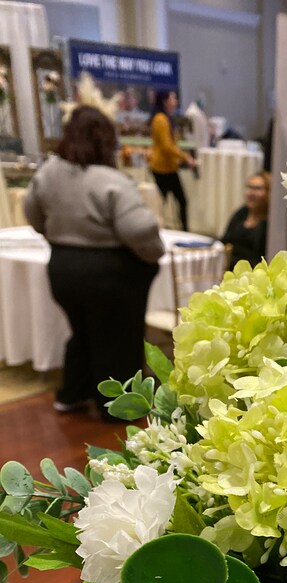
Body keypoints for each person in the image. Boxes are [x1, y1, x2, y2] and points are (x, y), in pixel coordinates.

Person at [24, 105, 164, 415]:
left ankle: (72, 394)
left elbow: (32, 213)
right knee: (117, 338)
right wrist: (155, 253)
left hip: (62, 268)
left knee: (82, 332)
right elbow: (139, 229)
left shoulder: (48, 172)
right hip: (110, 273)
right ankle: (117, 408)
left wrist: (56, 234)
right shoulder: (110, 180)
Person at [149, 89, 197, 231]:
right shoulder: (160, 119)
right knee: (178, 201)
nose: (175, 102)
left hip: (168, 167)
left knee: (167, 201)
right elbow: (166, 146)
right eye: (173, 98)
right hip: (162, 168)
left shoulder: (165, 118)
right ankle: (183, 231)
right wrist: (185, 157)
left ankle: (178, 229)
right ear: (165, 101)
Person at [221, 171, 270, 268]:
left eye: (257, 189)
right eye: (249, 187)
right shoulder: (242, 212)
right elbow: (224, 241)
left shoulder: (270, 224)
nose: (251, 193)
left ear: (268, 193)